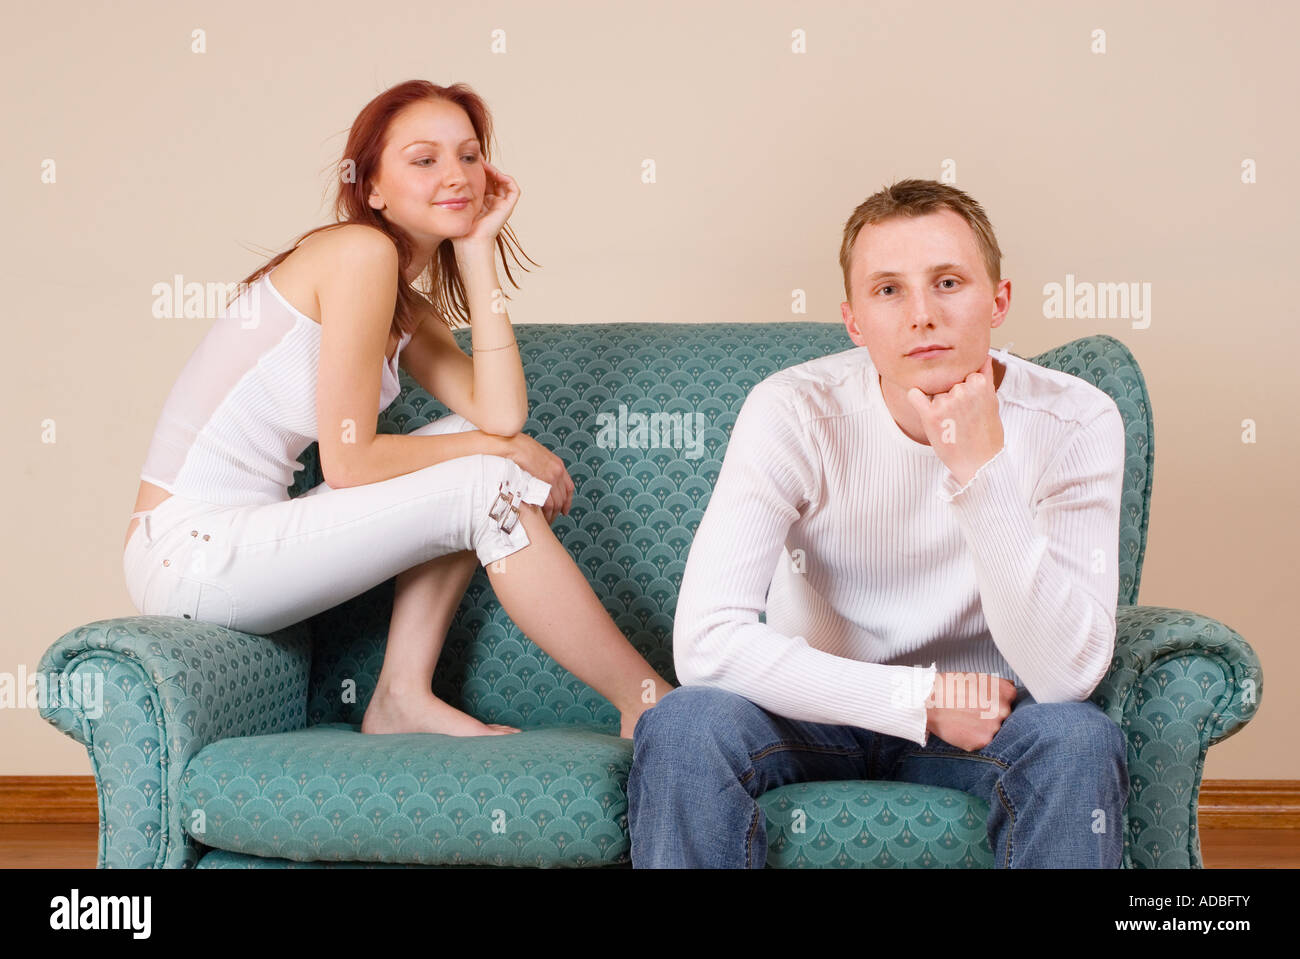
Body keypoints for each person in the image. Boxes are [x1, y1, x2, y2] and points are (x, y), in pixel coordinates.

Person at [122, 79, 674, 739]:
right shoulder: (359, 253)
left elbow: (500, 416)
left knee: (478, 443)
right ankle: (647, 702)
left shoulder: (404, 302)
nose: (457, 176)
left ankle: (402, 695)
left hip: (242, 539)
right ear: (372, 187)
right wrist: (497, 451)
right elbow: (351, 461)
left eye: (470, 157)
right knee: (485, 472)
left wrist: (475, 254)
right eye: (424, 159)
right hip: (191, 553)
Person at [628, 178, 1129, 868]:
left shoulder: (1077, 419)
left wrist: (981, 473)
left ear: (999, 300)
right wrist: (918, 698)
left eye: (948, 281)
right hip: (815, 710)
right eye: (889, 290)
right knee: (686, 723)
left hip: (986, 721)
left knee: (1078, 737)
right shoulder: (793, 411)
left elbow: (1067, 673)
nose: (922, 314)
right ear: (855, 320)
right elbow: (707, 643)